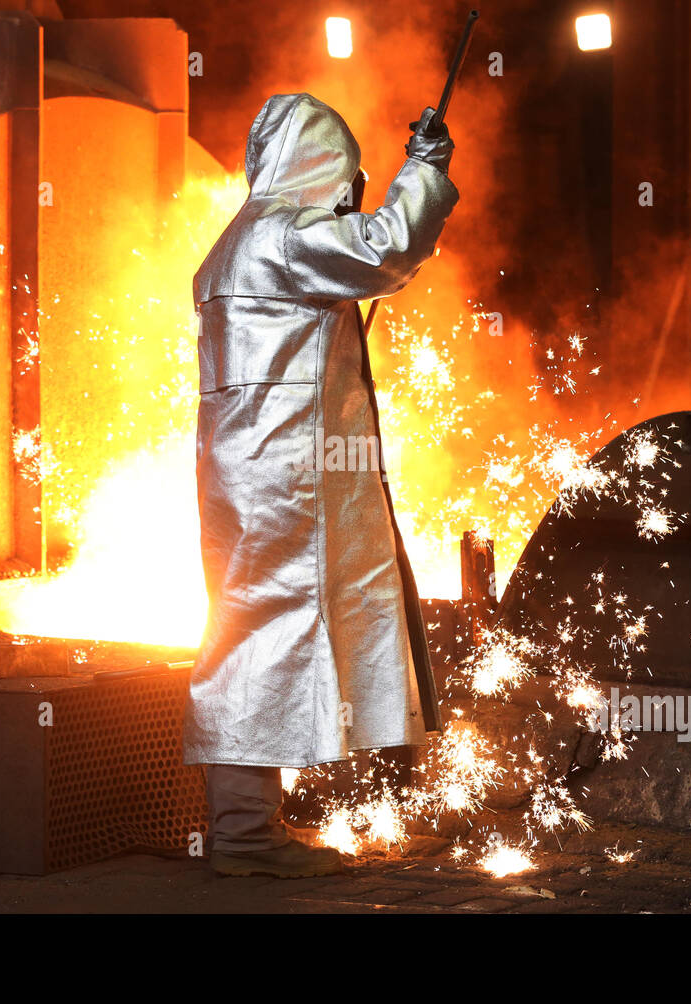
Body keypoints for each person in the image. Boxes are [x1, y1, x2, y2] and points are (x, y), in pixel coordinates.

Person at [186, 93, 458, 877]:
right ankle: (244, 842)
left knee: (251, 633)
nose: (347, 188)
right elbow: (387, 249)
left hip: (248, 477)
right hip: (284, 479)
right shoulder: (282, 235)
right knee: (264, 640)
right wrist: (426, 166)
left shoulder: (236, 243)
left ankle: (248, 831)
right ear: (315, 161)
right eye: (342, 171)